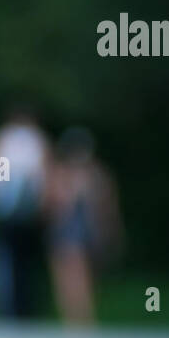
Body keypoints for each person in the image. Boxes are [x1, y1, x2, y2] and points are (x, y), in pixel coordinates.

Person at [0, 105, 50, 318]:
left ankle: (5, 307)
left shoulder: (0, 140)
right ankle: (23, 308)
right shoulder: (36, 141)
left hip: (4, 211)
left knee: (3, 258)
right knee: (24, 261)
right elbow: (42, 176)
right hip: (27, 211)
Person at [43, 126, 124, 326]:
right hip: (72, 231)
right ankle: (77, 320)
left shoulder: (90, 174)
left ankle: (80, 319)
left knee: (76, 276)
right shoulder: (86, 174)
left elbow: (108, 207)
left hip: (79, 231)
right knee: (71, 276)